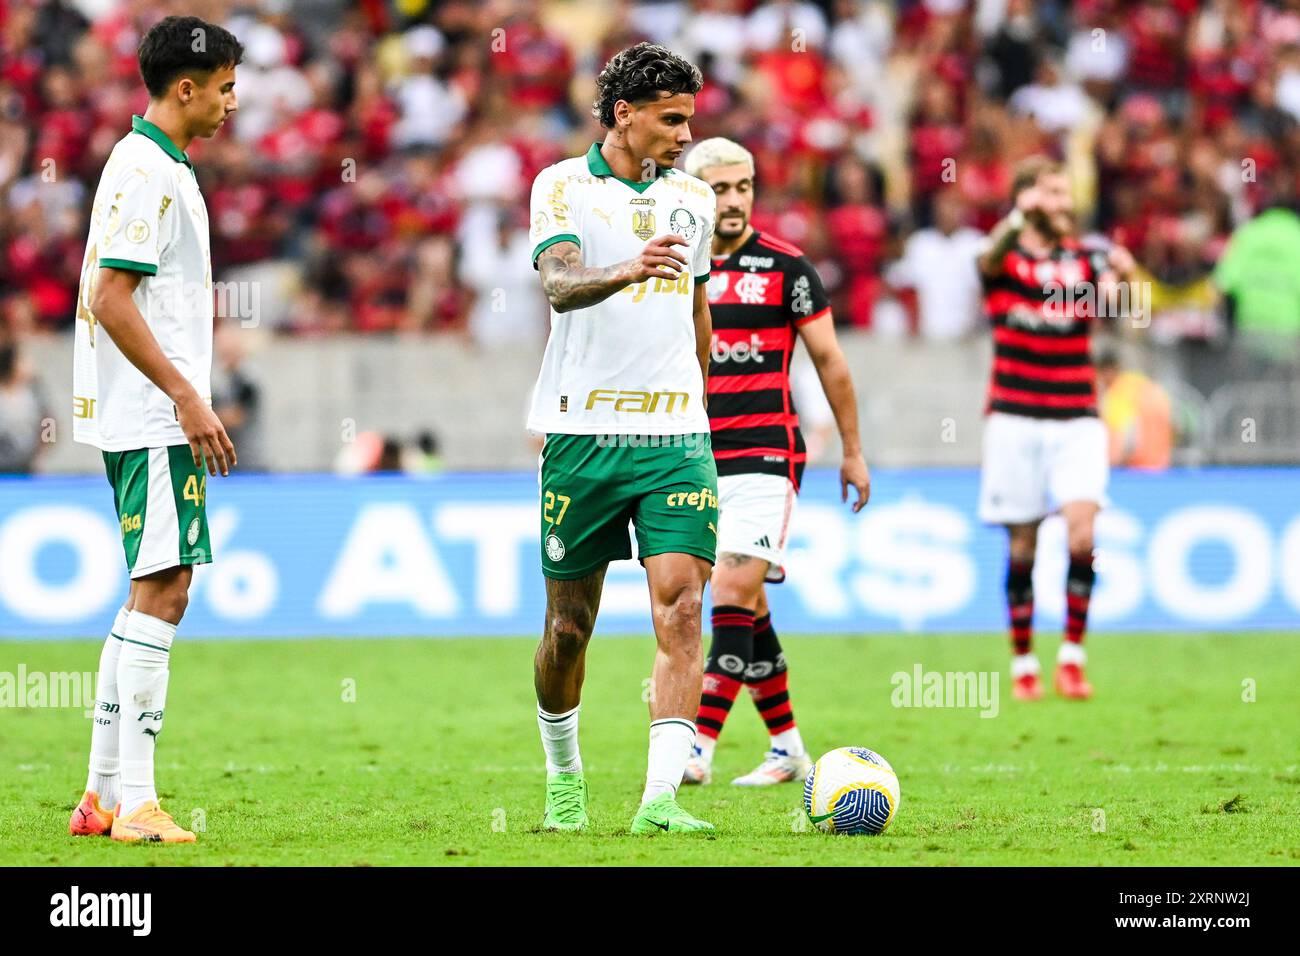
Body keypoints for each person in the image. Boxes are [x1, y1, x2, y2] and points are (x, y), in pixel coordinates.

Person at [526, 42, 719, 834]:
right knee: (568, 630)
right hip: (583, 433)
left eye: (690, 120)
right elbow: (560, 284)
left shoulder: (694, 199)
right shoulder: (561, 186)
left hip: (675, 436)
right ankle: (565, 780)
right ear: (623, 115)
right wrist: (628, 270)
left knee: (681, 611)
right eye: (671, 120)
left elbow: (697, 313)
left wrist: (704, 403)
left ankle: (660, 801)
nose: (682, 135)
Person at [67, 16, 242, 844]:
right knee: (167, 590)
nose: (231, 103)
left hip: (139, 412)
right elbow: (110, 296)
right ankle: (137, 801)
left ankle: (101, 797)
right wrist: (185, 395)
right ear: (186, 88)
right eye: (225, 87)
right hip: (150, 416)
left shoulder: (154, 163)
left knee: (147, 590)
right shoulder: (149, 172)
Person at [679, 137, 870, 787]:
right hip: (696, 455)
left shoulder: (787, 269)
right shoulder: (675, 268)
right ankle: (787, 748)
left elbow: (831, 363)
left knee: (729, 591)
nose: (734, 201)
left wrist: (852, 450)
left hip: (768, 453)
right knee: (749, 605)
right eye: (720, 189)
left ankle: (697, 748)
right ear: (694, 192)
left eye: (743, 187)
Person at [975, 156, 1136, 702]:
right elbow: (987, 257)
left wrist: (1129, 275)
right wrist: (1016, 221)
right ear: (1025, 200)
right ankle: (1024, 661)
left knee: (1083, 532)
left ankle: (1072, 656)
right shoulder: (1003, 257)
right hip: (1014, 416)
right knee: (1022, 545)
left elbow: (1131, 314)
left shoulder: (1087, 258)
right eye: (1052, 194)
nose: (1065, 205)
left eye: (1067, 195)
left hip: (1076, 417)